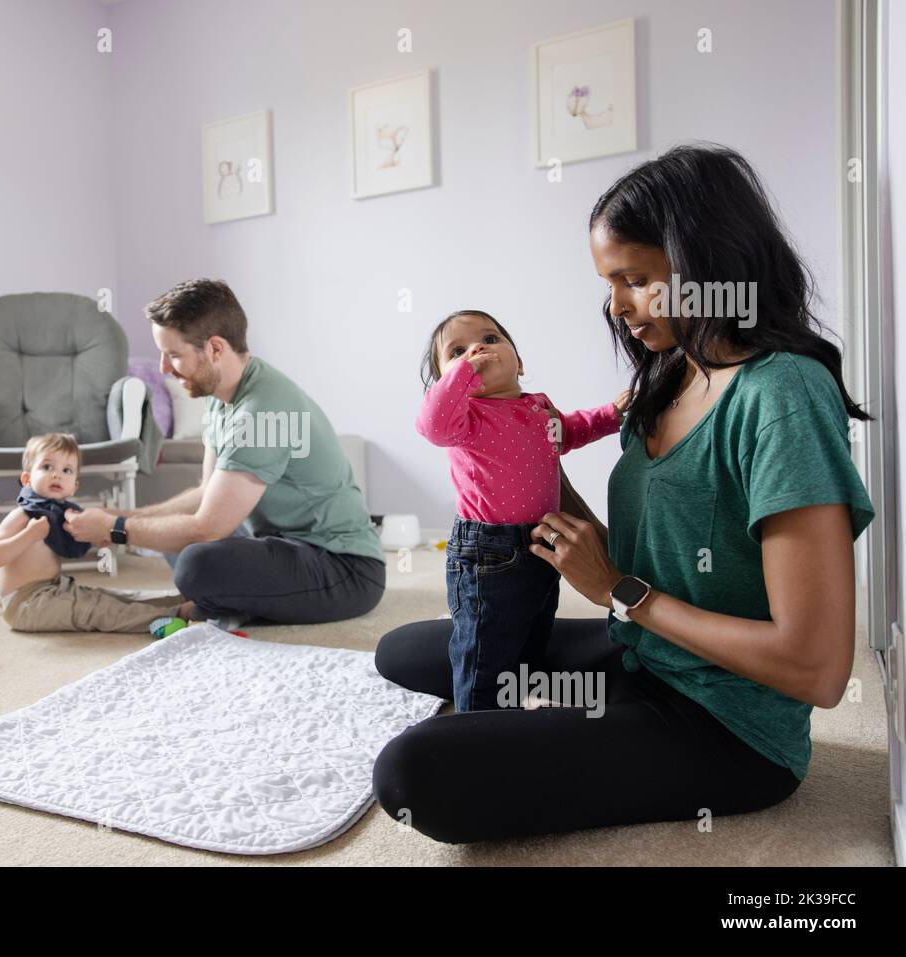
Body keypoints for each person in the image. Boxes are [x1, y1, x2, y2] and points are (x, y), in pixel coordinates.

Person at [372, 143, 875, 843]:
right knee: (407, 648)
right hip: (647, 649)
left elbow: (817, 669)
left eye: (634, 278)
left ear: (709, 263)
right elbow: (648, 553)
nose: (617, 307)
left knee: (410, 772)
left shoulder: (781, 395)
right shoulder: (667, 376)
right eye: (610, 282)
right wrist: (514, 464)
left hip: (725, 723)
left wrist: (618, 588)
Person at [64, 278, 386, 626]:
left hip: (344, 567)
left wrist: (115, 529)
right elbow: (206, 493)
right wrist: (127, 515)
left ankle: (232, 605)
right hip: (282, 545)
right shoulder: (222, 398)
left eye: (174, 355)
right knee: (178, 542)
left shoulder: (262, 411)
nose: (163, 369)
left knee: (196, 561)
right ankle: (239, 604)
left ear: (215, 348)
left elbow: (207, 528)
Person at [416, 307, 630, 712]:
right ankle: (476, 722)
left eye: (490, 339)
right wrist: (463, 374)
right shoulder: (464, 419)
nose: (477, 349)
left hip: (540, 542)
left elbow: (569, 431)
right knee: (486, 647)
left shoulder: (537, 407)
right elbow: (431, 424)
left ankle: (519, 710)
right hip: (487, 553)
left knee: (532, 633)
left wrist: (611, 415)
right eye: (457, 350)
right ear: (448, 381)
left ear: (520, 360)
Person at [0, 433, 185, 633]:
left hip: (54, 589)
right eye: (47, 467)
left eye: (67, 470)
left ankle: (177, 599)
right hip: (24, 604)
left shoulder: (57, 514)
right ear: (27, 479)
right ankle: (175, 614)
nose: (57, 474)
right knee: (94, 610)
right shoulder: (23, 515)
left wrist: (97, 540)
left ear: (74, 487)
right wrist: (28, 535)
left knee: (107, 596)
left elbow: (73, 541)